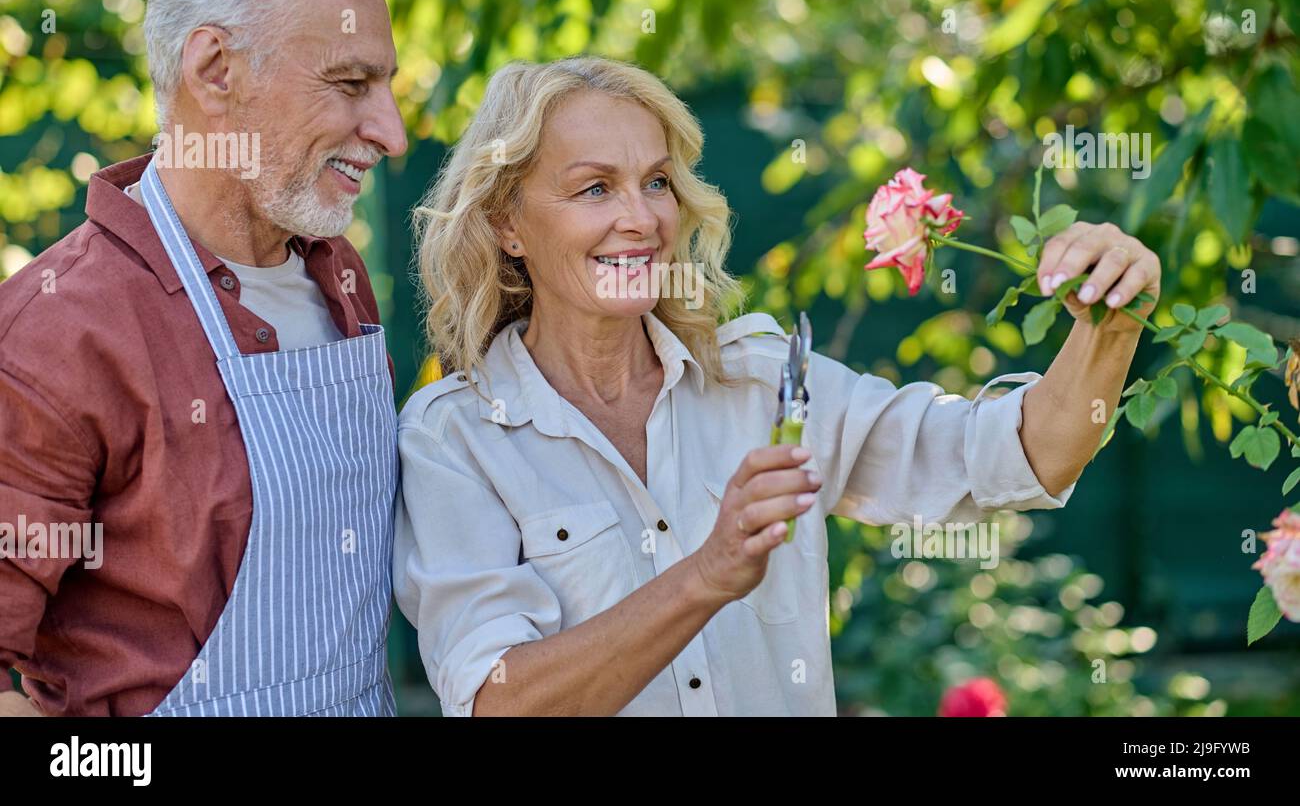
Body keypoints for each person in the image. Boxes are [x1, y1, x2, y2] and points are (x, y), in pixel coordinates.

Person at [394, 55, 1160, 716]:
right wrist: (706, 574)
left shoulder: (762, 384)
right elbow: (498, 698)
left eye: (656, 182)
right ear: (507, 225)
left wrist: (1112, 322)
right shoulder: (456, 436)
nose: (640, 218)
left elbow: (1022, 456)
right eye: (594, 189)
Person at [0, 0, 407, 716]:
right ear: (215, 69)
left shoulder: (341, 277)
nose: (392, 131)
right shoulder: (58, 330)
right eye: (351, 82)